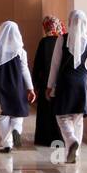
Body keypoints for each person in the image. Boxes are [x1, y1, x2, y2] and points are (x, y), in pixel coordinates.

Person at [47, 8, 87, 165]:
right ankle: (75, 153)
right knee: (78, 118)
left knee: (62, 116)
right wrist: (85, 76)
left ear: (70, 22)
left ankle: (71, 141)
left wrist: (50, 86)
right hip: (81, 82)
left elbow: (55, 64)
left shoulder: (63, 39)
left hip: (65, 82)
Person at [0, 20, 35, 153]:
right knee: (17, 113)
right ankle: (16, 129)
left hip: (1, 86)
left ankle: (7, 144)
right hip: (18, 87)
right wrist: (30, 88)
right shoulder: (20, 51)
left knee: (3, 116)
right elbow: (25, 70)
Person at [31, 15, 64, 147]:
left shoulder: (44, 42)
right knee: (58, 112)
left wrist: (35, 84)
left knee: (45, 113)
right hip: (60, 82)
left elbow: (38, 64)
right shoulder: (62, 41)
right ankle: (59, 139)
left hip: (45, 83)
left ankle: (44, 139)